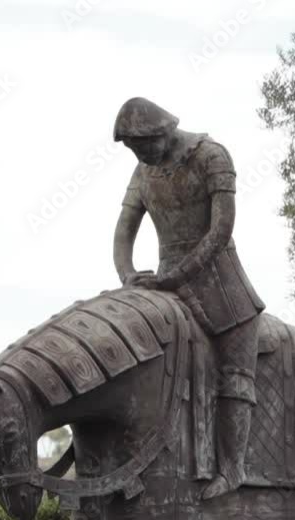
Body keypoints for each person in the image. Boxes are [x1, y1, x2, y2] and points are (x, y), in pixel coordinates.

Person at [112, 97, 265, 499]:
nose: (140, 155)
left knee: (234, 376)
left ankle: (231, 470)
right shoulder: (143, 171)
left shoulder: (212, 156)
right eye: (133, 150)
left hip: (223, 290)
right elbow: (124, 230)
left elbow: (220, 231)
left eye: (142, 146)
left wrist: (177, 275)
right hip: (164, 287)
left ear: (161, 132)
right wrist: (128, 274)